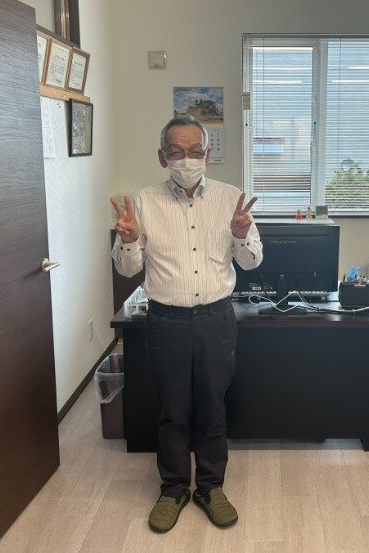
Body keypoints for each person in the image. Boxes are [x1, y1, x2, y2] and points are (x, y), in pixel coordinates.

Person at [110, 116, 262, 533]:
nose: (186, 160)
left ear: (208, 155)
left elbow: (252, 262)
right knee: (173, 410)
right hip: (166, 320)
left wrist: (241, 234)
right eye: (176, 152)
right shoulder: (143, 203)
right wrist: (128, 241)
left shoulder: (231, 199)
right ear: (162, 157)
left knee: (212, 407)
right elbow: (127, 270)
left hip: (216, 319)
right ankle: (174, 488)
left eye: (195, 151)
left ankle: (210, 487)